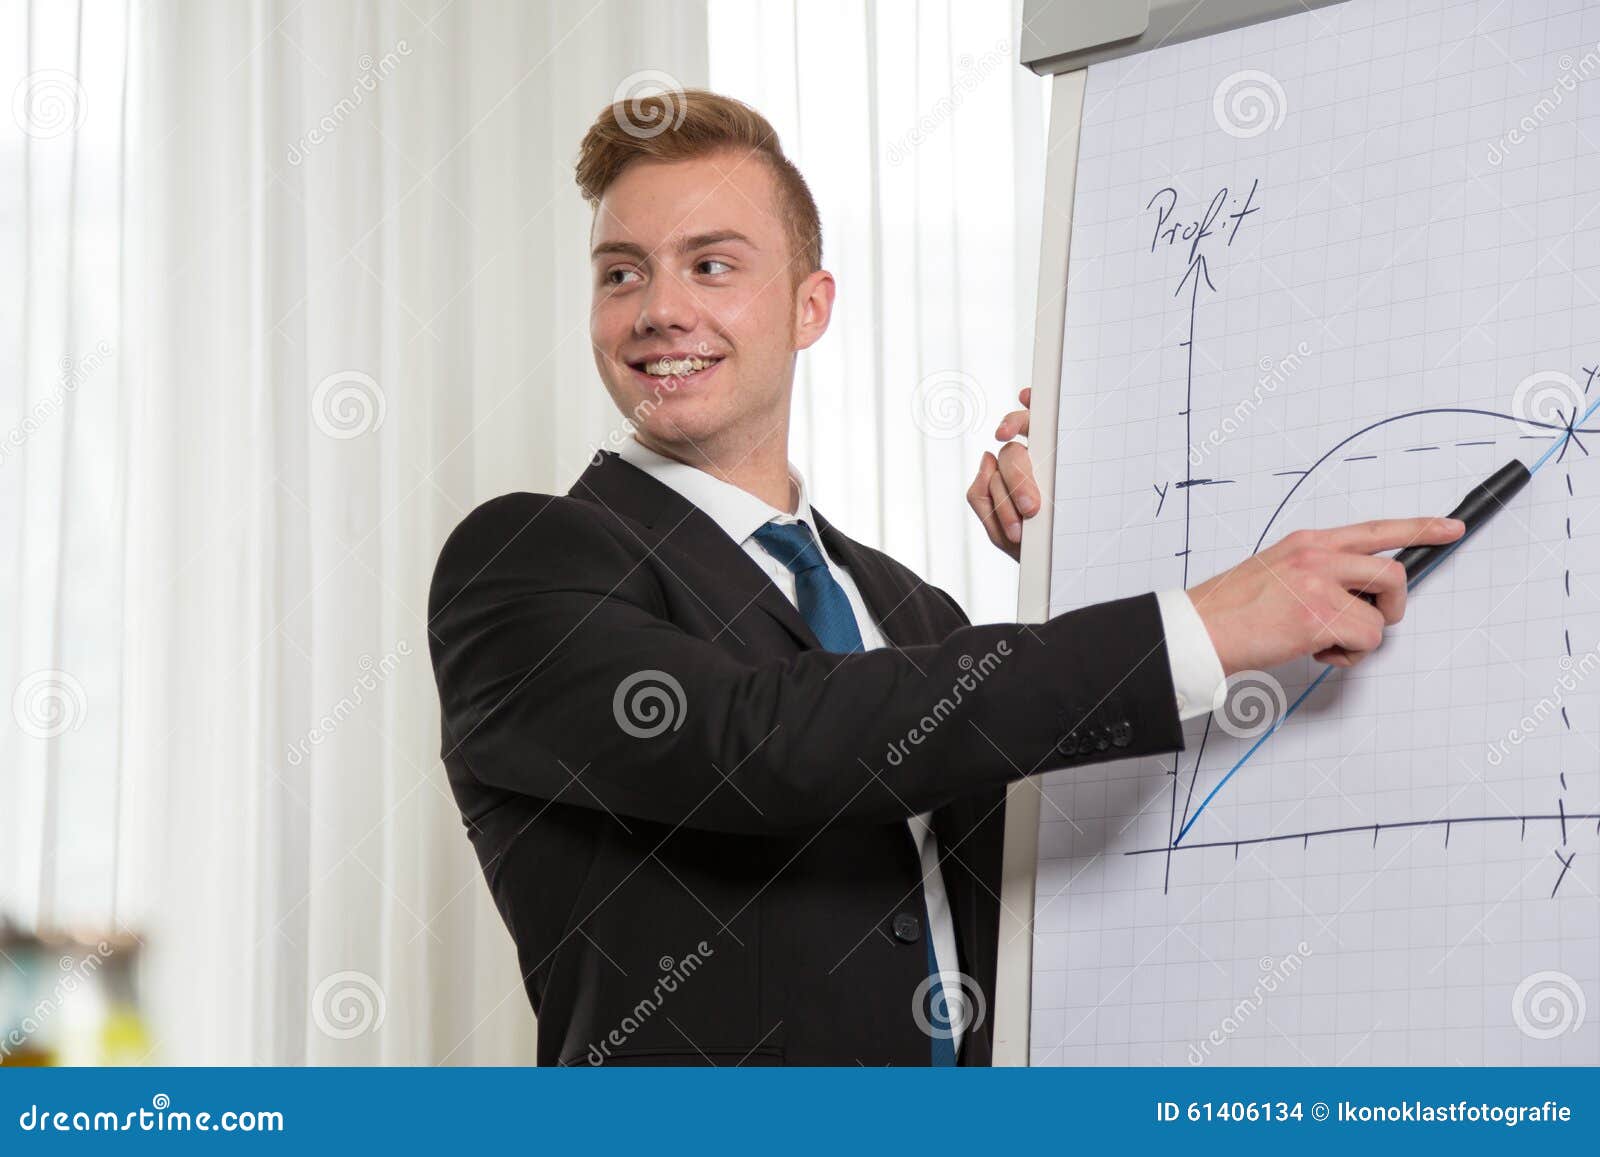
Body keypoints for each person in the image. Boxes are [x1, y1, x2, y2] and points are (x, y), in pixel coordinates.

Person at [425, 89, 1464, 1066]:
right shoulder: (524, 560)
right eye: (620, 272)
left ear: (808, 304)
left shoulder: (911, 609)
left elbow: (1049, 854)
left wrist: (1089, 553)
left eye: (710, 265)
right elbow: (761, 742)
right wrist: (1181, 628)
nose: (656, 309)